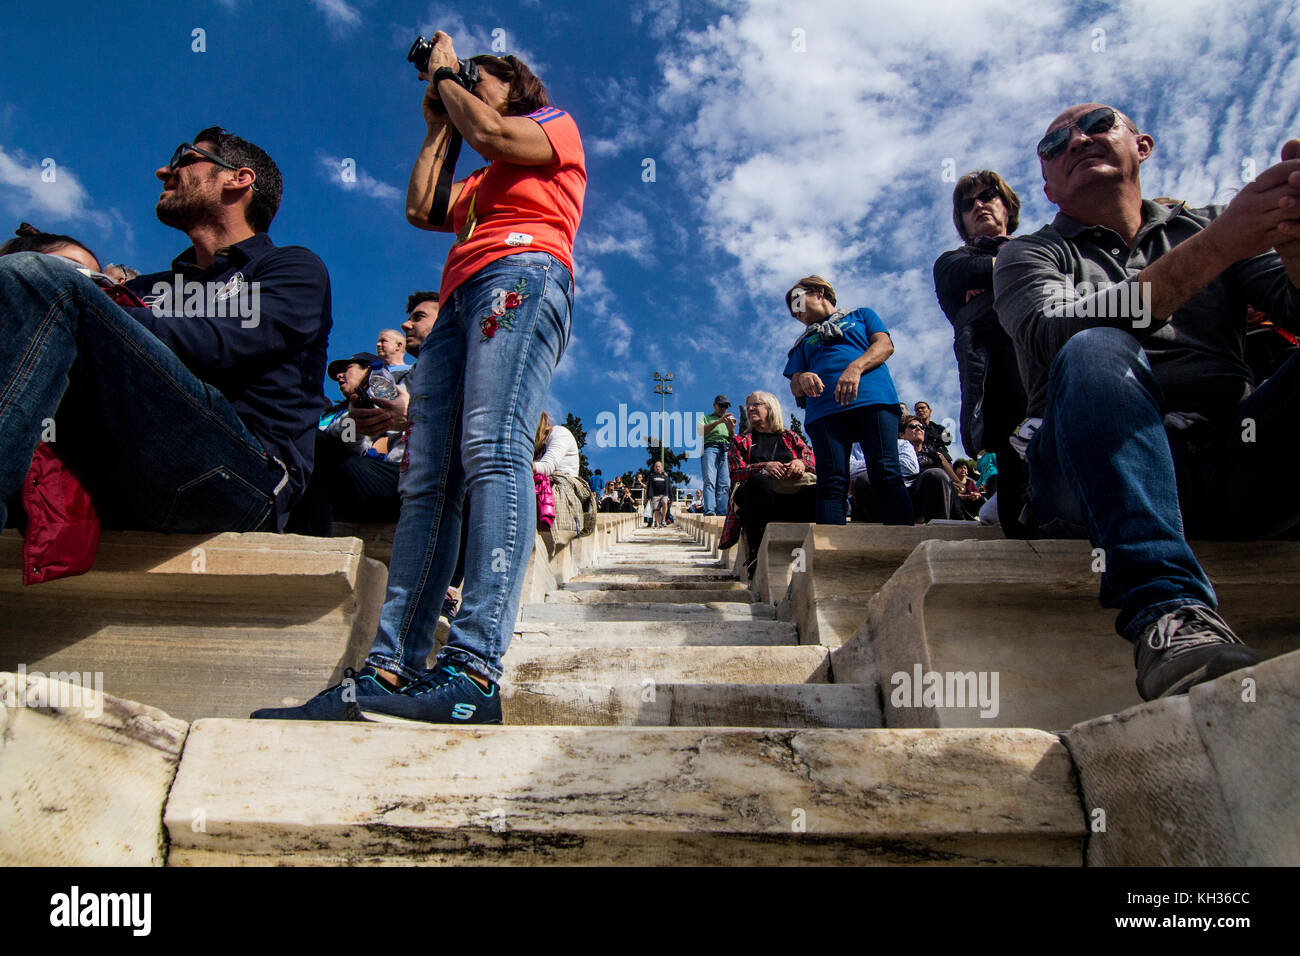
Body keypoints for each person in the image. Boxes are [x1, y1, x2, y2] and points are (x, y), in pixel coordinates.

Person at [255, 36, 584, 724]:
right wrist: (437, 120)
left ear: (515, 87)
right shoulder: (477, 182)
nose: (463, 85)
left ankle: (473, 670)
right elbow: (421, 208)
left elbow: (491, 128)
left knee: (494, 449)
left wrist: (446, 71)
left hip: (523, 273)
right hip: (461, 297)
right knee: (429, 480)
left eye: (478, 77)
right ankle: (393, 668)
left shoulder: (549, 126)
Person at [991, 101, 1300, 700]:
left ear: (1143, 145)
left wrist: (1293, 241)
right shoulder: (1027, 255)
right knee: (1095, 347)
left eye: (1099, 123)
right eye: (1055, 142)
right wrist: (1219, 248)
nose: (1077, 139)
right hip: (1087, 474)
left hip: (1231, 459)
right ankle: (1170, 616)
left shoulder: (1214, 222)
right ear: (1049, 186)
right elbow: (1054, 334)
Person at [0, 128, 331, 545]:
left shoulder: (291, 267)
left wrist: (98, 308)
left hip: (242, 476)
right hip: (123, 471)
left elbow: (221, 346)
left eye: (185, 158)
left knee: (38, 277)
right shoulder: (149, 289)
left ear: (238, 178)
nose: (163, 170)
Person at [933, 170, 1032, 535]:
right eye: (966, 204)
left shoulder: (1043, 246)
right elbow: (958, 276)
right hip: (1001, 386)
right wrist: (1020, 276)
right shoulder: (950, 262)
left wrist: (995, 279)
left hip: (1056, 369)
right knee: (1017, 479)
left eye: (988, 196)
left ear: (1007, 204)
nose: (978, 205)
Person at [783, 275, 912, 526]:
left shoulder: (861, 315)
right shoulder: (803, 343)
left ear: (819, 292)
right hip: (824, 411)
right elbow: (794, 384)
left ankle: (905, 546)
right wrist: (803, 378)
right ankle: (829, 554)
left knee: (885, 471)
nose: (794, 313)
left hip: (872, 400)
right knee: (831, 481)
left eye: (797, 303)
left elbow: (884, 346)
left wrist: (856, 367)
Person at [720, 391, 817, 578]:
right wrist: (764, 467)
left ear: (770, 408)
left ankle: (809, 553)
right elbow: (735, 471)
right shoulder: (741, 441)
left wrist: (800, 464)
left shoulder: (791, 437)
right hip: (757, 501)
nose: (750, 409)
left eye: (756, 404)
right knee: (759, 482)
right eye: (748, 406)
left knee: (820, 489)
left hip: (791, 497)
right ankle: (755, 553)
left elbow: (811, 462)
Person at [900, 416, 963, 521]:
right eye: (912, 426)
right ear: (901, 435)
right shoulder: (896, 451)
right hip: (908, 494)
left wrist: (957, 481)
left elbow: (947, 443)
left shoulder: (933, 450)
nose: (919, 429)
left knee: (937, 475)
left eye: (921, 427)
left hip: (934, 493)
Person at [698, 395, 737, 516]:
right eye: (721, 405)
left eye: (726, 406)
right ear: (714, 405)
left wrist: (731, 429)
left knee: (725, 483)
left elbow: (733, 438)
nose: (723, 408)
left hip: (725, 450)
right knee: (709, 479)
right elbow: (700, 431)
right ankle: (709, 510)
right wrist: (719, 422)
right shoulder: (706, 418)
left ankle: (722, 512)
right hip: (710, 448)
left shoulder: (729, 420)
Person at [646, 459, 672, 528]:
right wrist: (648, 497)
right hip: (655, 495)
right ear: (654, 468)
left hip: (664, 494)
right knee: (656, 509)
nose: (657, 468)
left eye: (659, 466)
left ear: (661, 467)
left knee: (664, 502)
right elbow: (649, 487)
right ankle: (657, 523)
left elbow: (669, 487)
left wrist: (671, 498)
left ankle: (663, 520)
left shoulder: (666, 477)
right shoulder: (651, 477)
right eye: (656, 466)